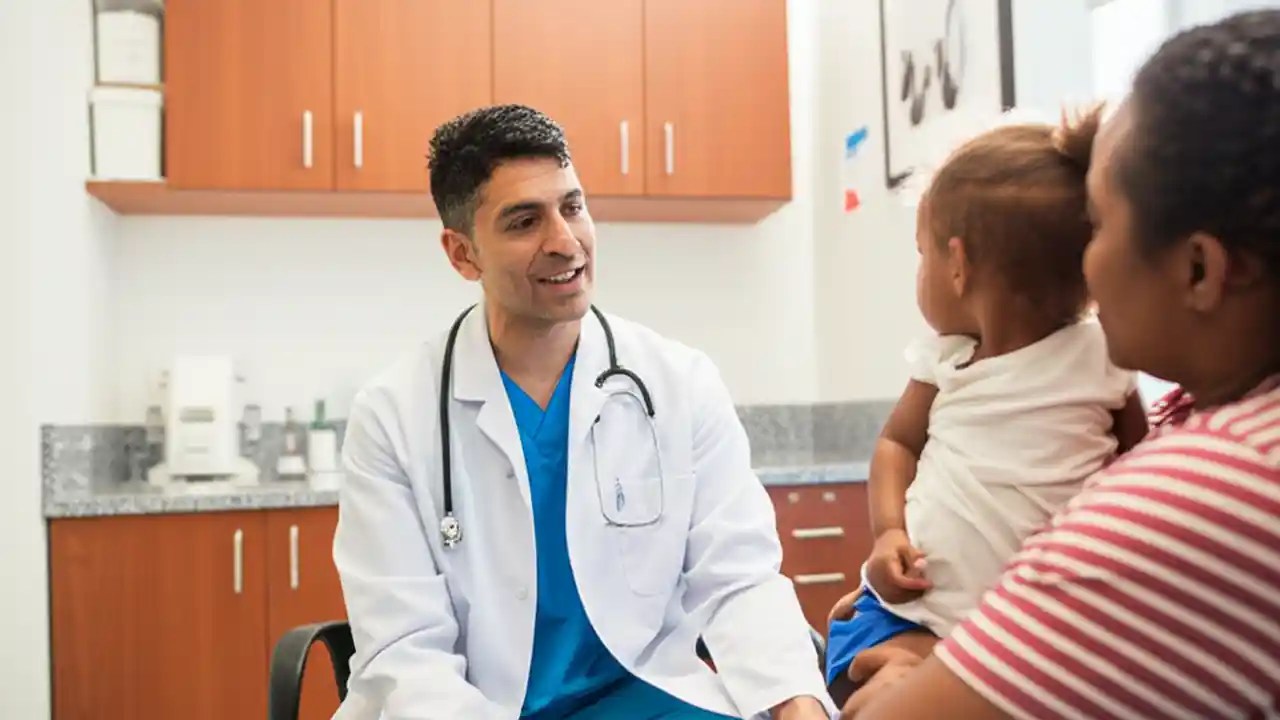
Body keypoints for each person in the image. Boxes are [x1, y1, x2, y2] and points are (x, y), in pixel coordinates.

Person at [330, 104, 835, 720]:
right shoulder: (393, 417)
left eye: (572, 206)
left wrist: (796, 700)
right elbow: (405, 655)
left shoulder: (679, 383)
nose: (566, 242)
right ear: (463, 255)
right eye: (524, 221)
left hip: (648, 697)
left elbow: (738, 578)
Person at [854, 10, 1280, 719]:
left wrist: (917, 680)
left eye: (1099, 223)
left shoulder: (1214, 490)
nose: (1079, 267)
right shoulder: (1221, 414)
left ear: (1200, 269)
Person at [822, 108, 1148, 708]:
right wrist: (887, 531)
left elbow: (1138, 469)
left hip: (1029, 628)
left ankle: (908, 675)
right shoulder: (946, 363)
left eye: (921, 254)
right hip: (917, 606)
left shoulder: (1103, 353)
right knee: (847, 637)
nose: (920, 272)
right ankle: (904, 666)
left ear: (956, 264)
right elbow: (896, 445)